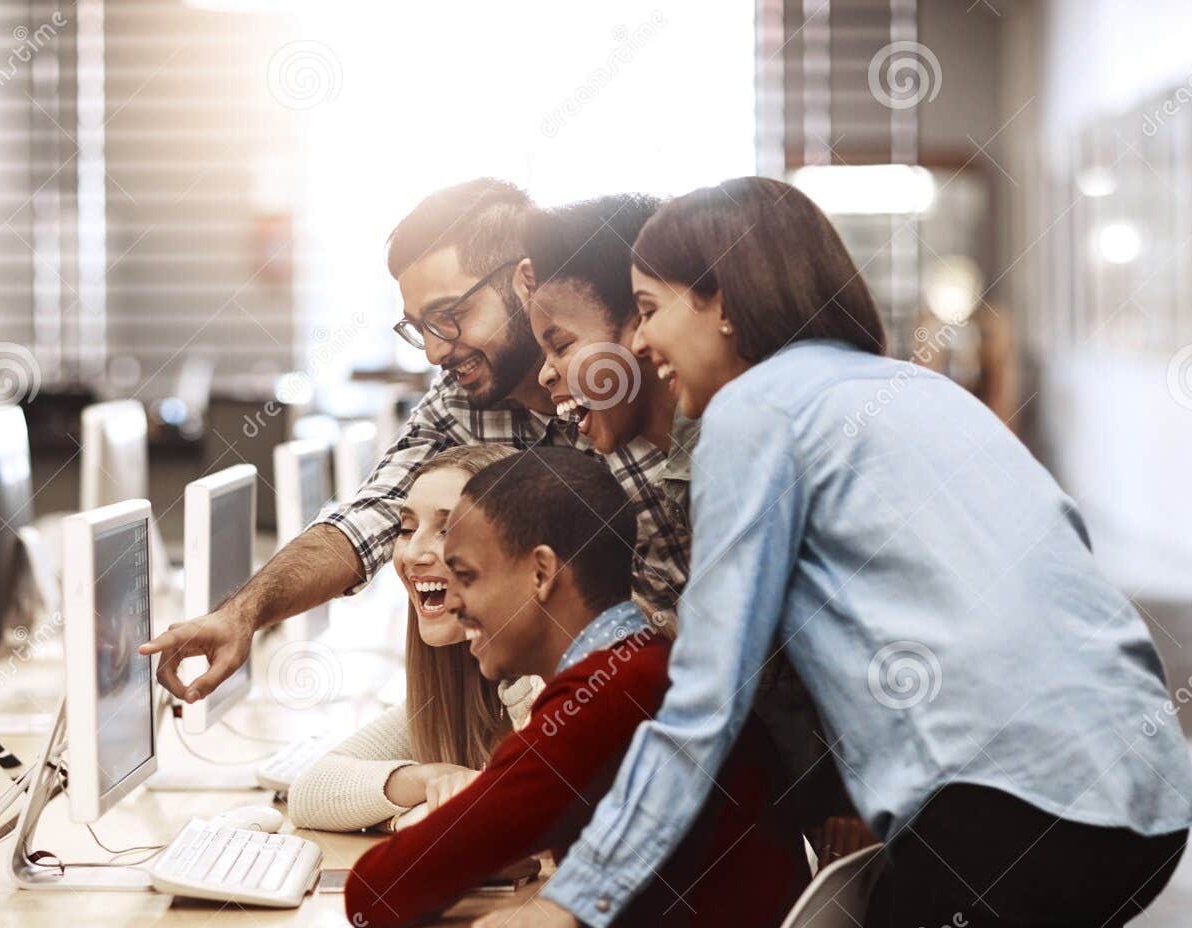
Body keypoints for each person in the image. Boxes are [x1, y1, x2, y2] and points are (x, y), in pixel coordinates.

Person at [465, 177, 1192, 928]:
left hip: (999, 811)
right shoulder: (912, 389)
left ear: (723, 303)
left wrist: (580, 893)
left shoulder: (755, 412)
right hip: (1140, 798)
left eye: (650, 308)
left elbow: (707, 695)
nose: (643, 341)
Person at [141, 179, 691, 703]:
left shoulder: (644, 387)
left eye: (449, 317)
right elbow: (369, 519)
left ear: (522, 280)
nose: (433, 351)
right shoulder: (459, 403)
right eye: (418, 328)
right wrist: (244, 613)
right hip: (607, 703)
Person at [346, 448, 809, 928]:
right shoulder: (644, 663)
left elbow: (376, 891)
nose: (458, 602)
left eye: (466, 575)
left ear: (541, 573)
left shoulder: (601, 701)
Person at [525, 191, 873, 860]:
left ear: (638, 325)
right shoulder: (651, 459)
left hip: (902, 807)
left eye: (560, 344)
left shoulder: (746, 438)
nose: (545, 374)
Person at [286, 445, 541, 831]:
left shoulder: (569, 688)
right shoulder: (466, 683)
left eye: (449, 529)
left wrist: (407, 819)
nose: (415, 552)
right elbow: (310, 793)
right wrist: (428, 779)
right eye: (407, 530)